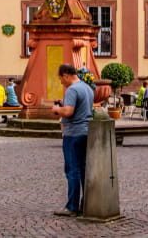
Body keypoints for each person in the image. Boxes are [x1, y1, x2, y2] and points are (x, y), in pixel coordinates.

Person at [50, 63, 94, 217]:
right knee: (83, 169)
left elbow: (68, 112)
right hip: (86, 132)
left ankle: (72, 206)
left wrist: (57, 110)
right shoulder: (87, 88)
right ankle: (84, 203)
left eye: (61, 78)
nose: (61, 82)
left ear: (66, 75)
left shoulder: (72, 90)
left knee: (72, 170)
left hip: (73, 133)